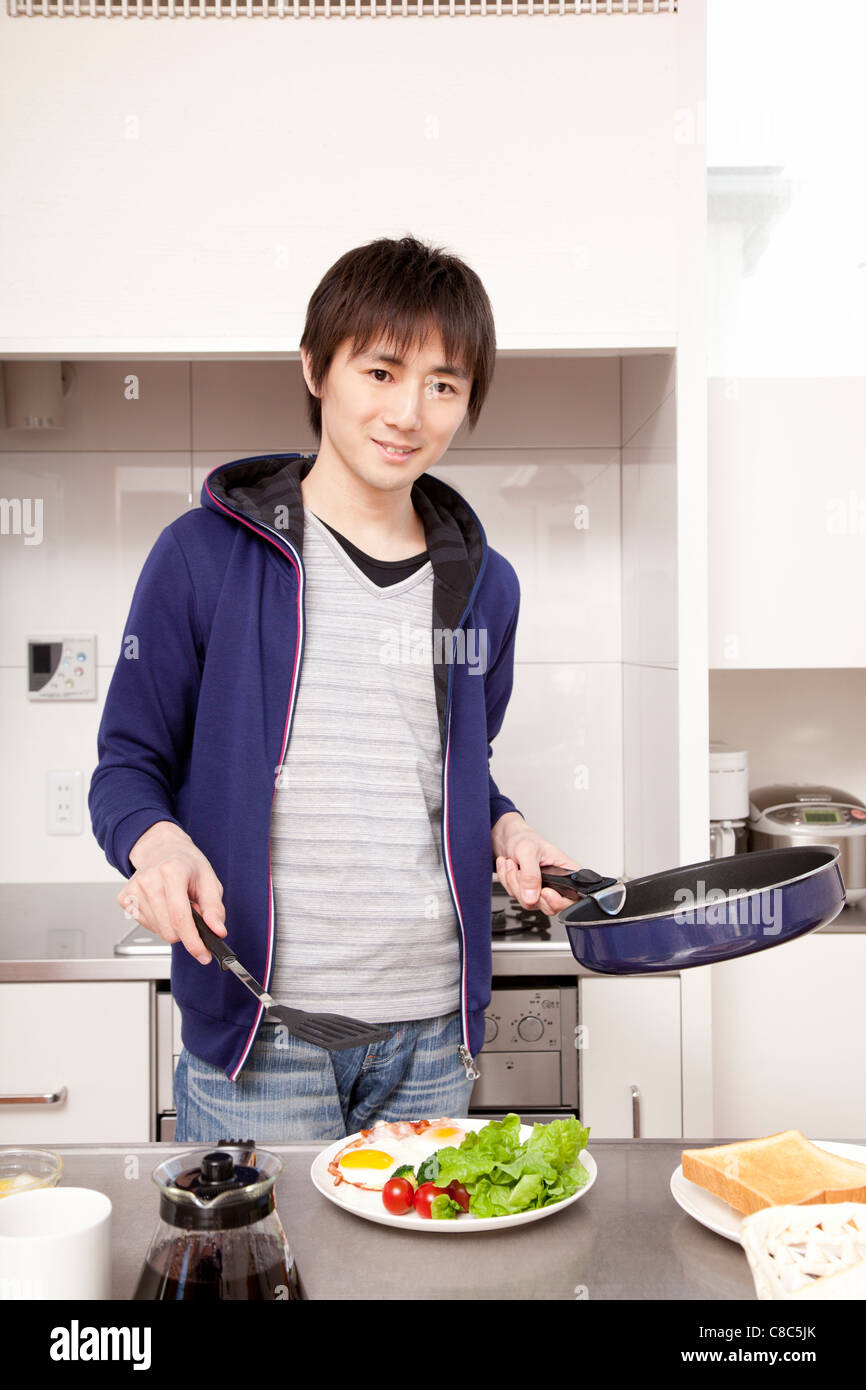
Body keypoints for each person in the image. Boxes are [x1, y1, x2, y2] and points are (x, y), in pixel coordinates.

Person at [88, 234, 582, 1142]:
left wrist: (503, 823)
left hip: (432, 1037)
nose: (410, 411)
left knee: (414, 1284)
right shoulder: (202, 557)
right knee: (258, 1281)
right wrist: (155, 847)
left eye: (445, 384)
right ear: (317, 367)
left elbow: (450, 772)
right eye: (382, 371)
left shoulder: (485, 585)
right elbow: (126, 766)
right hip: (259, 1029)